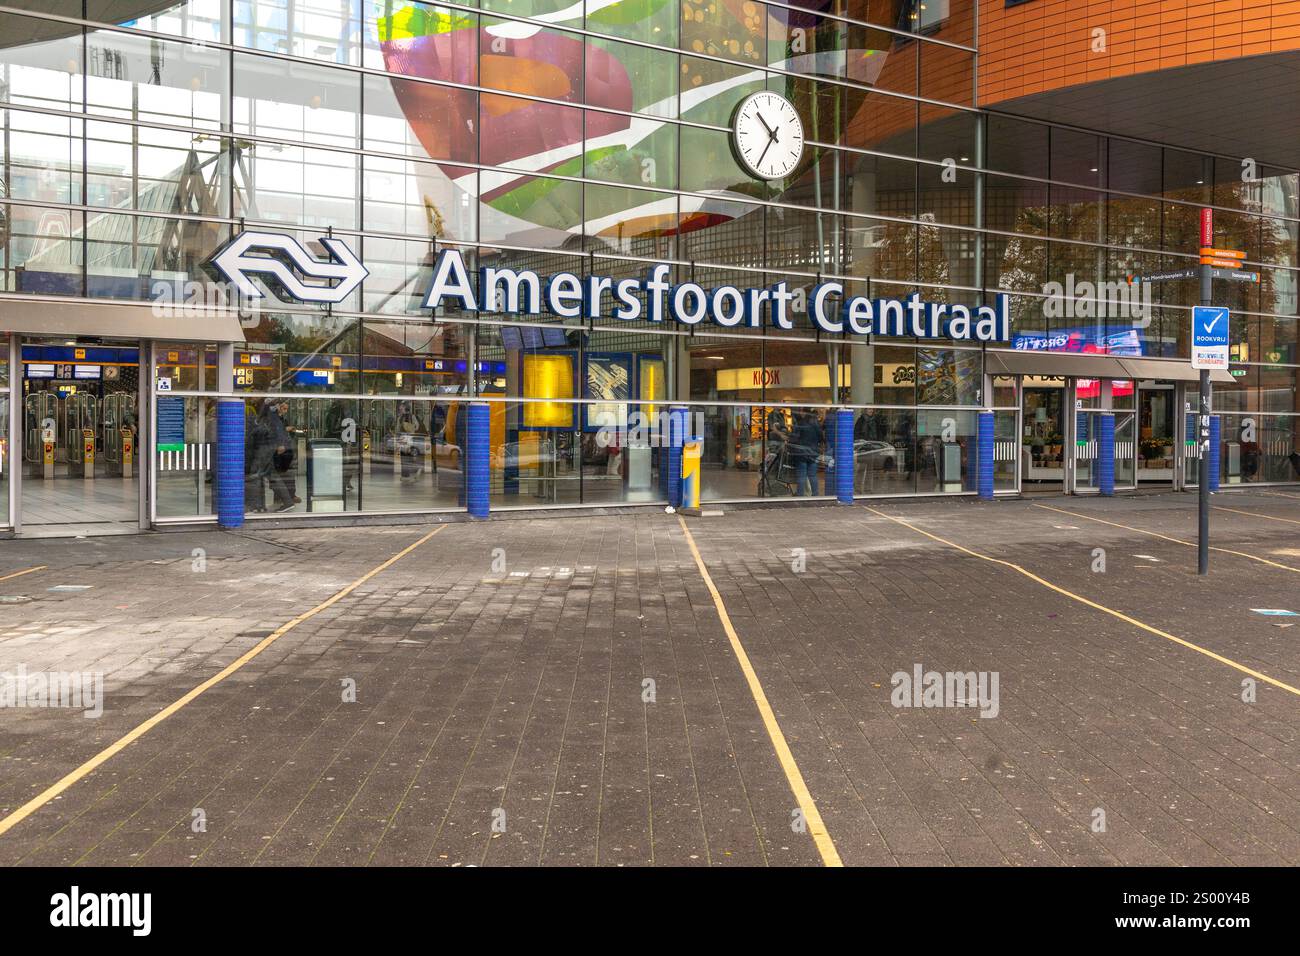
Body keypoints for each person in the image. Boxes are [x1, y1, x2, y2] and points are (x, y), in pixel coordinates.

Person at [264, 398, 298, 511]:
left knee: (275, 476)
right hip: (276, 449)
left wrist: (281, 445)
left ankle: (287, 500)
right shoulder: (274, 417)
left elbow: (277, 432)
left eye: (286, 409)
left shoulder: (275, 418)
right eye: (283, 408)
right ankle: (285, 499)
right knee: (275, 476)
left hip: (277, 449)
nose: (285, 410)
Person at [790, 409, 822, 496]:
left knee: (801, 476)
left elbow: (794, 438)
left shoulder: (800, 424)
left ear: (804, 413)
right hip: (813, 453)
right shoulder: (816, 424)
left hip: (801, 453)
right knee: (813, 476)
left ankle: (800, 495)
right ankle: (815, 495)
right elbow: (821, 437)